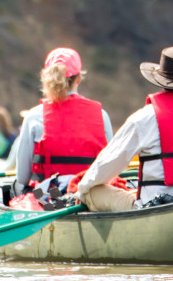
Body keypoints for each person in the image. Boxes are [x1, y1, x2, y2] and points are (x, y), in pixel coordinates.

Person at [69, 46, 173, 212]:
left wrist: (82, 189)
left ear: (161, 82)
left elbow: (108, 164)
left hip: (158, 207)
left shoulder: (144, 119)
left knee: (92, 191)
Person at [9, 47, 115, 196]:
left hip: (51, 199)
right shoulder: (102, 115)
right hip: (90, 197)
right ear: (78, 79)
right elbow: (112, 169)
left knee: (16, 187)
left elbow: (22, 177)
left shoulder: (33, 116)